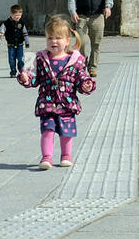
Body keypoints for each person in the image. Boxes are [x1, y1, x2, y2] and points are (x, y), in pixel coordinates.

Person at [16, 15, 96, 169]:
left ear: (67, 40)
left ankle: (66, 155)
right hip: (47, 102)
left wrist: (86, 84)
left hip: (67, 103)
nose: (53, 41)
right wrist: (26, 78)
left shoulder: (75, 61)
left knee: (67, 132)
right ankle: (46, 157)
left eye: (58, 38)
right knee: (47, 130)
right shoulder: (40, 59)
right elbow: (35, 79)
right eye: (50, 38)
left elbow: (81, 79)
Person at [67, 0, 112, 78]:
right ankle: (82, 63)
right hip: (81, 16)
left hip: (97, 16)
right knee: (81, 42)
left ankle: (93, 67)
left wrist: (108, 6)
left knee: (96, 43)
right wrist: (73, 11)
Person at [0, 3, 31, 78]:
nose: (18, 17)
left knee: (20, 58)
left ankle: (21, 71)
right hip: (11, 45)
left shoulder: (21, 23)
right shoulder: (6, 23)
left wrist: (27, 42)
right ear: (11, 14)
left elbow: (25, 33)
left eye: (20, 15)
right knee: (11, 59)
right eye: (16, 16)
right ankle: (13, 71)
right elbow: (0, 32)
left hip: (20, 44)